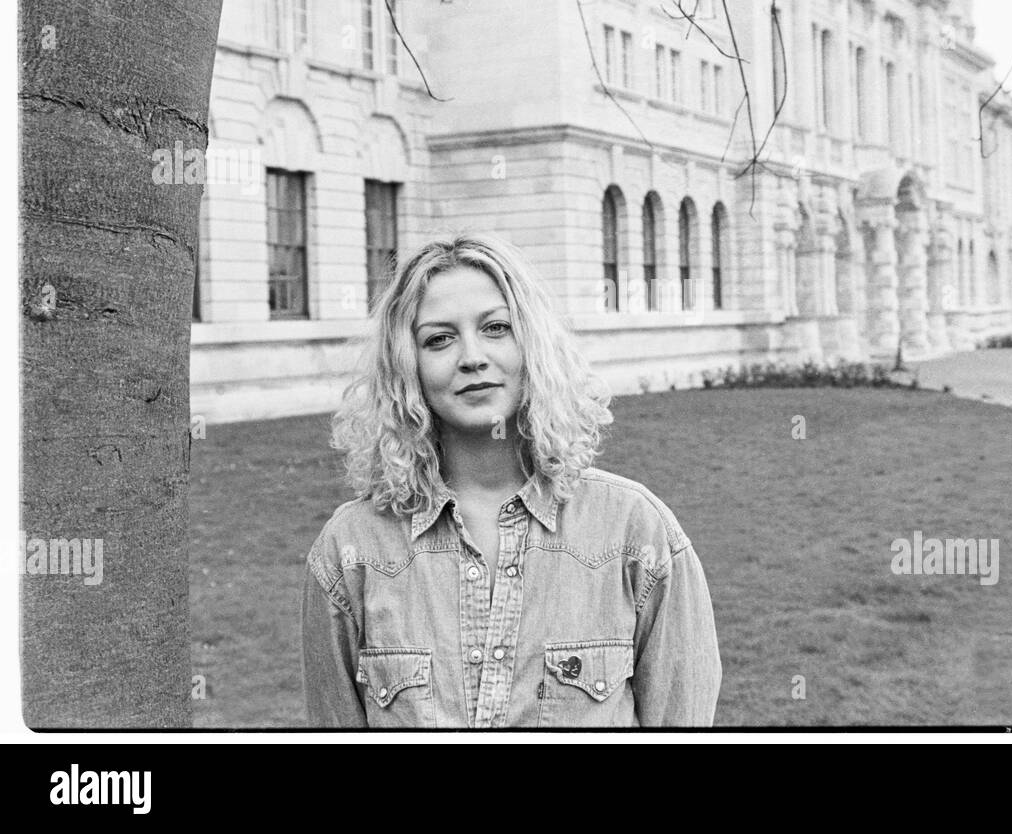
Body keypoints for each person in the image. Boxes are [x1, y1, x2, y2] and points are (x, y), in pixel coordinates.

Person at [301, 232, 722, 728]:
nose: (472, 356)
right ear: (405, 366)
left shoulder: (637, 534)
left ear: (532, 344)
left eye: (496, 328)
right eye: (439, 338)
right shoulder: (350, 552)